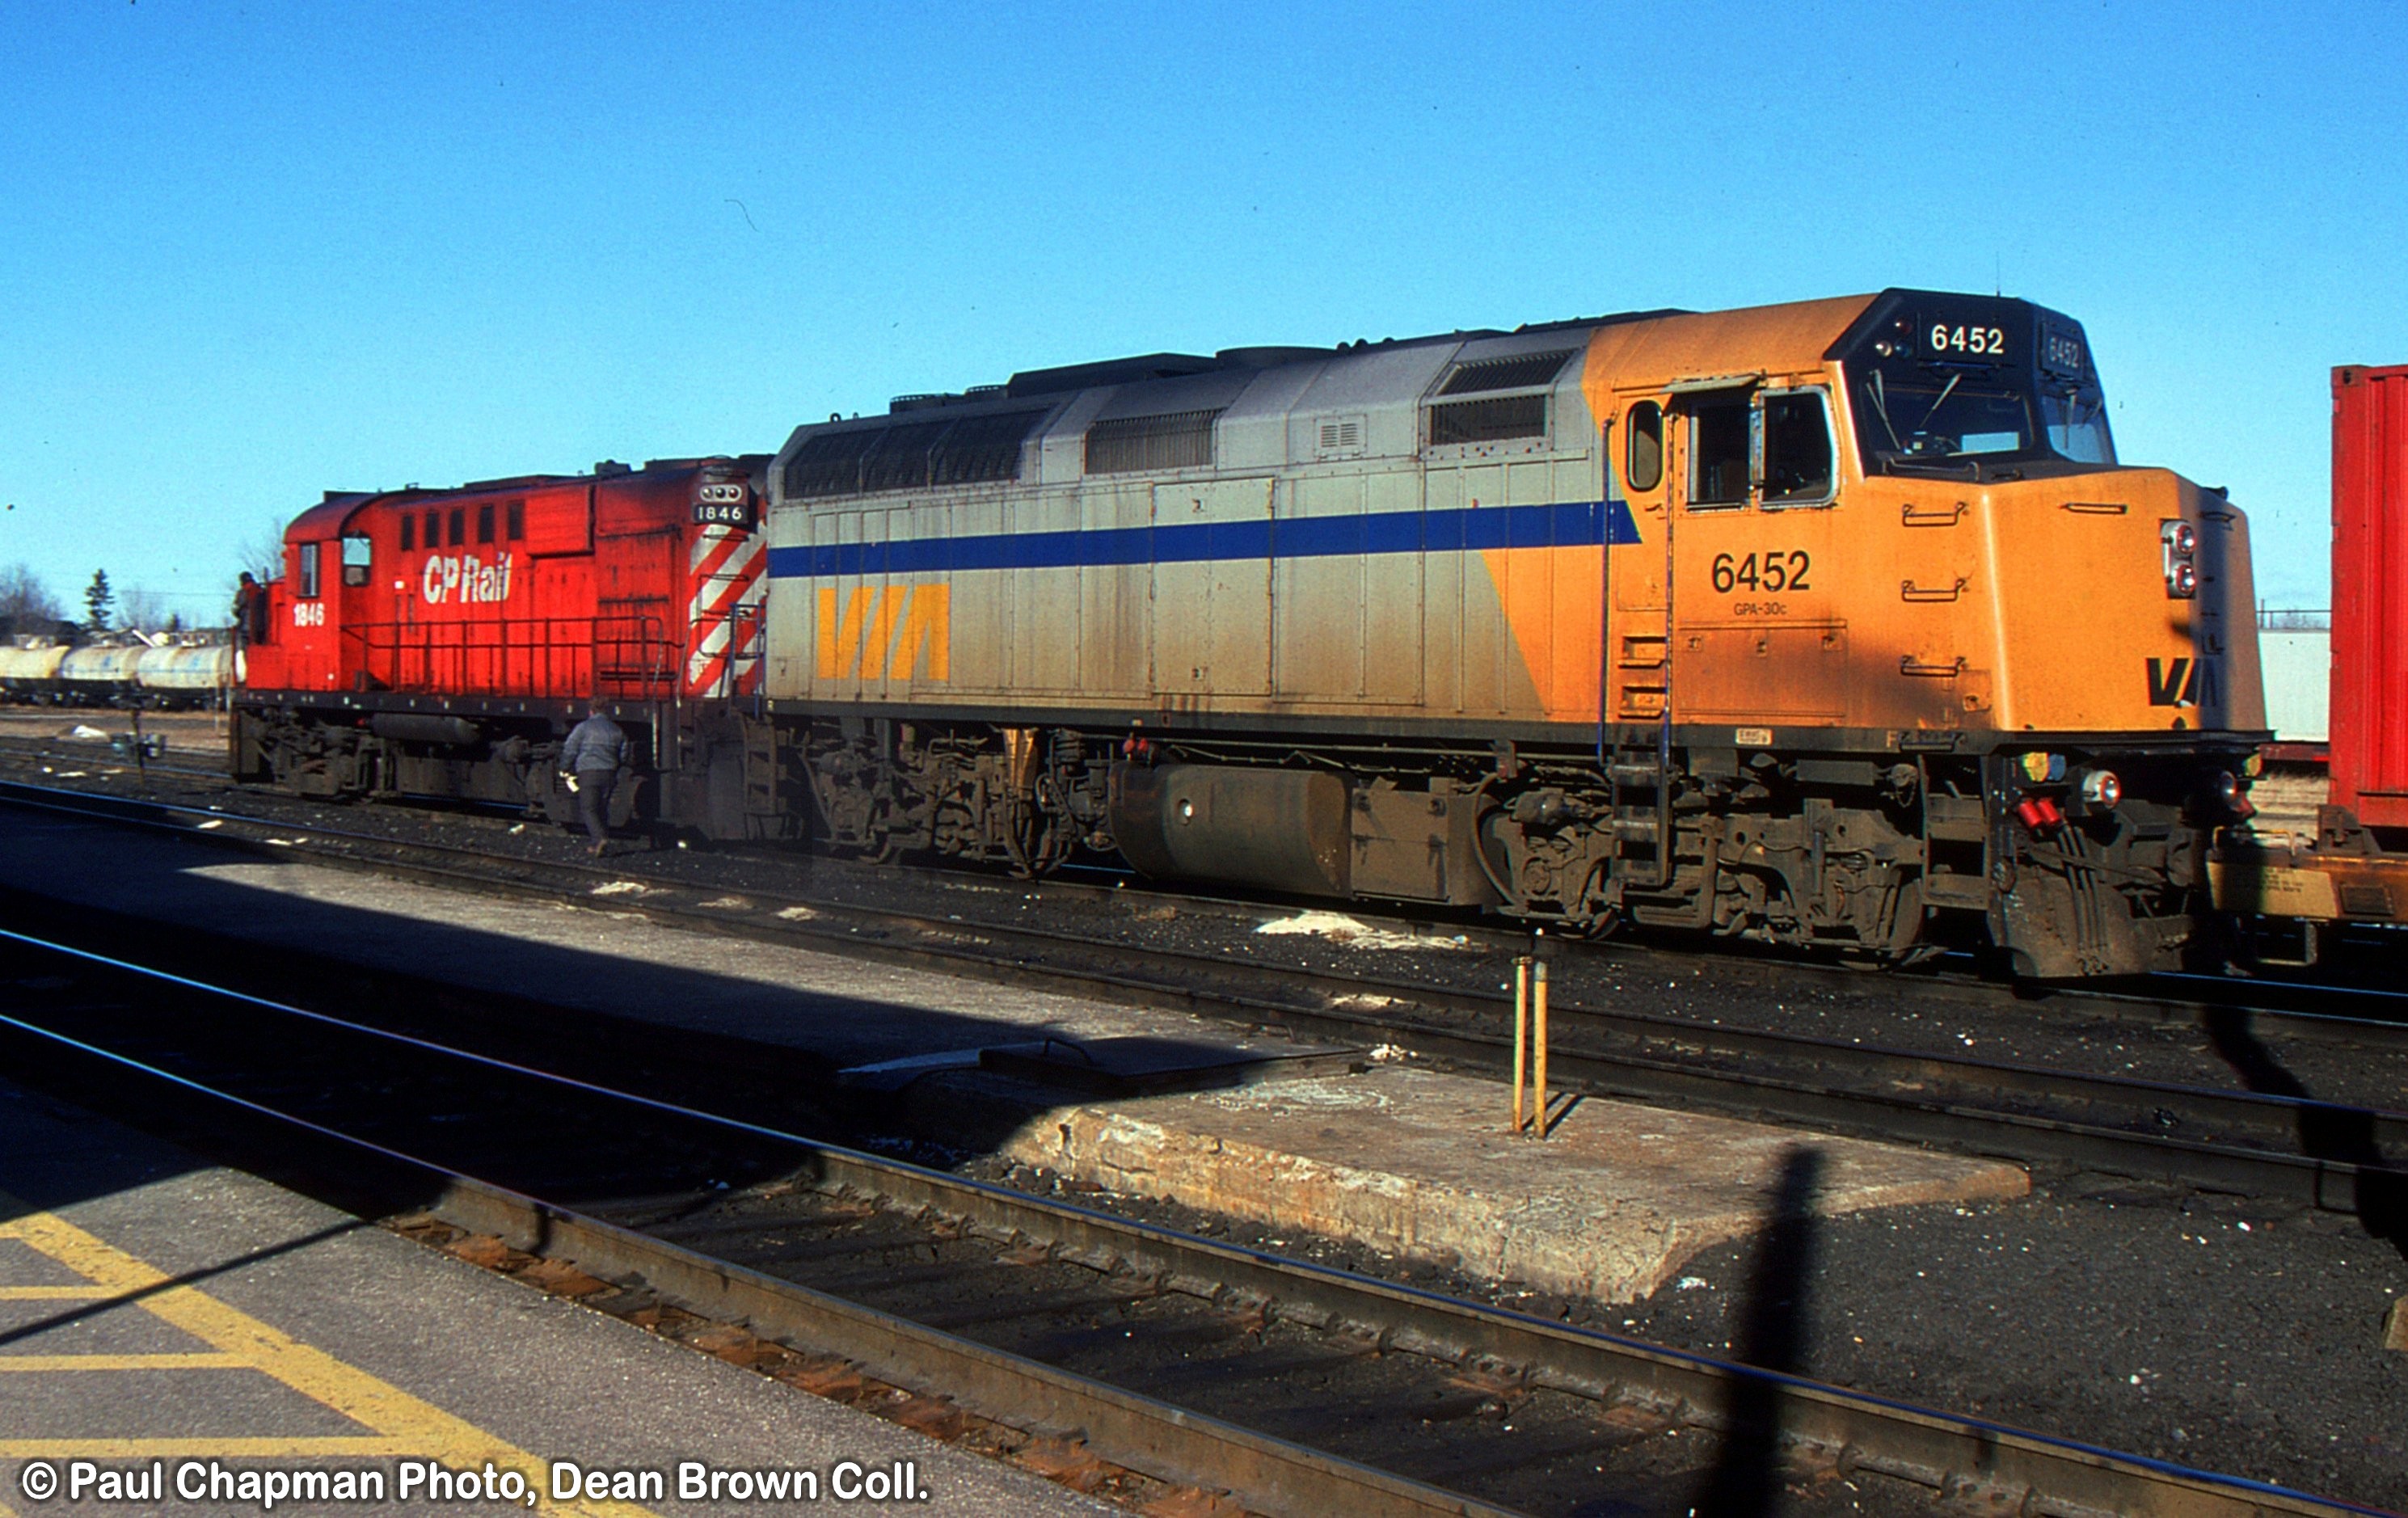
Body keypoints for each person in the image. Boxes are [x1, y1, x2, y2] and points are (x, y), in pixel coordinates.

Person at [559, 701, 632, 856]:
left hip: (588, 772)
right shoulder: (616, 730)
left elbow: (570, 749)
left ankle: (599, 839)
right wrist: (616, 766)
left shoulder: (583, 728)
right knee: (602, 808)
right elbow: (624, 753)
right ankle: (599, 842)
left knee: (588, 808)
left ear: (591, 711)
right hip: (609, 773)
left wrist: (564, 767)